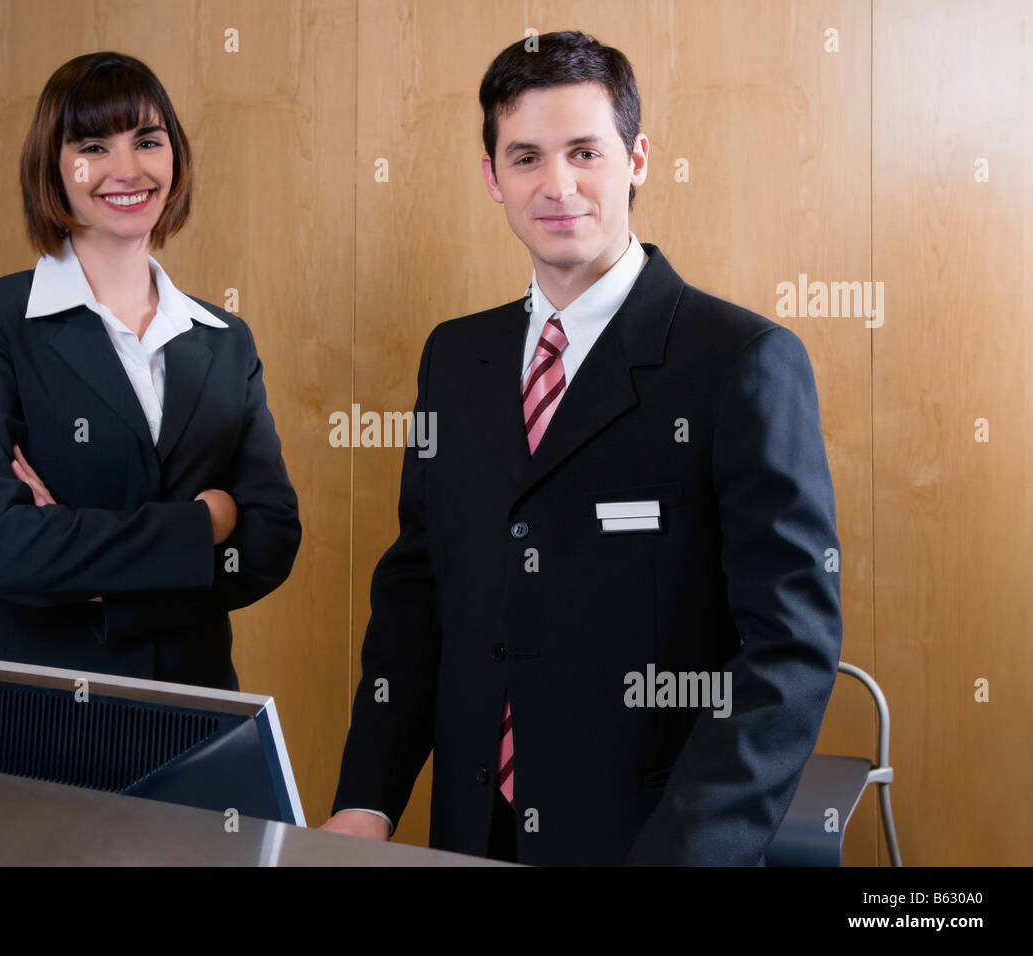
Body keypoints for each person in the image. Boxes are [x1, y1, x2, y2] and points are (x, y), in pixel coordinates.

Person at [322, 31, 843, 865]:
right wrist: (367, 797)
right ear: (493, 178)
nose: (557, 185)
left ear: (636, 160)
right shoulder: (455, 358)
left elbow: (789, 647)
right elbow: (418, 594)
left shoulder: (740, 361)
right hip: (471, 830)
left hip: (646, 839)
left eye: (585, 152)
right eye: (526, 157)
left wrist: (684, 853)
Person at [0, 52, 300, 690]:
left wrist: (91, 575)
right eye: (93, 147)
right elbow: (2, 548)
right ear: (53, 166)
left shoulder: (226, 340)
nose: (127, 170)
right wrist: (206, 524)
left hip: (190, 703)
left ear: (175, 157)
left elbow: (270, 544)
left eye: (148, 141)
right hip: (29, 702)